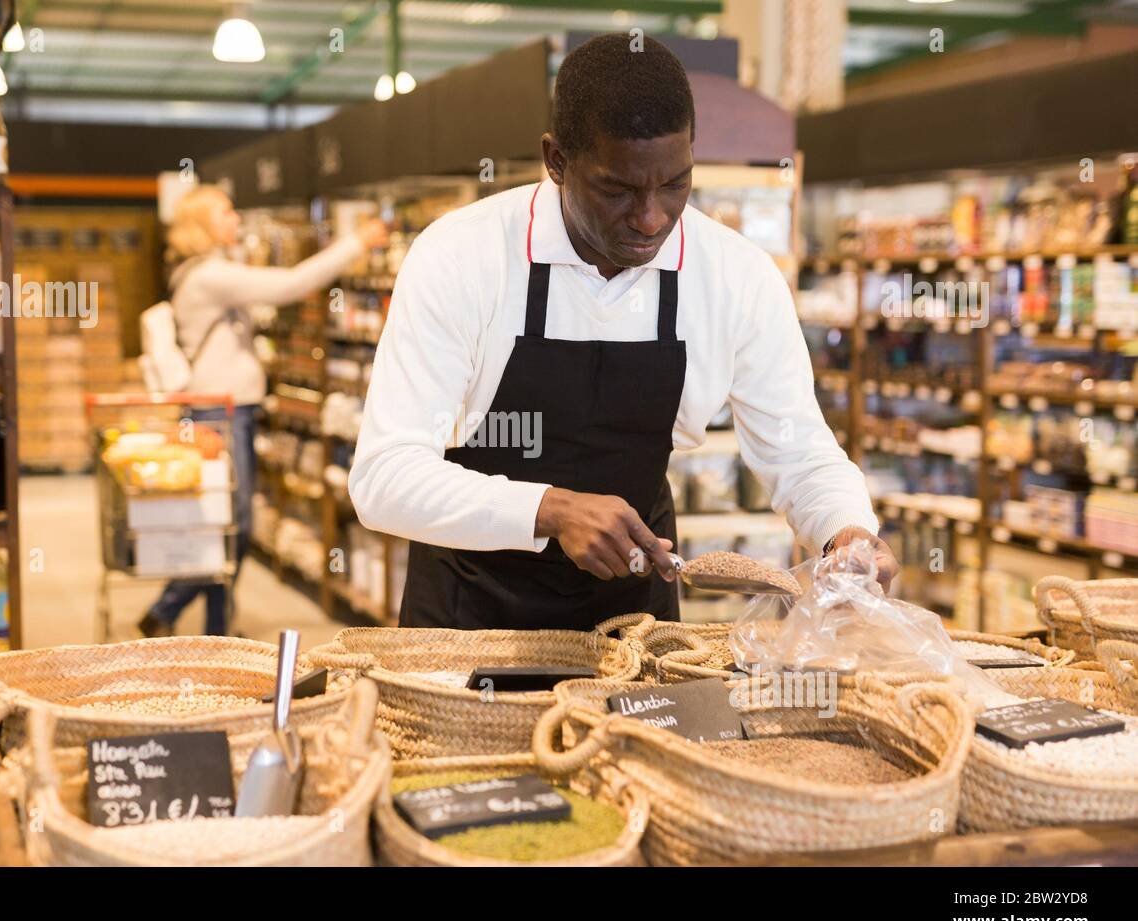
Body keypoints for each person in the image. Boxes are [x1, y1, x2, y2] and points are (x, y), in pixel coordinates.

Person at [349, 33, 899, 632]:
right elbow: (384, 476)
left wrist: (847, 531)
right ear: (556, 160)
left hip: (633, 622)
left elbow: (799, 452)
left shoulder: (735, 276)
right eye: (617, 189)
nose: (651, 218)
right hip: (467, 618)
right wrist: (551, 510)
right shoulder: (461, 256)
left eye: (675, 184)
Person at [138, 186, 388, 637]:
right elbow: (291, 285)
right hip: (220, 413)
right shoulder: (210, 275)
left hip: (225, 411)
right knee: (232, 524)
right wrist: (356, 243)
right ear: (202, 225)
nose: (235, 218)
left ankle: (213, 626)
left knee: (226, 522)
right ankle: (168, 609)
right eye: (225, 212)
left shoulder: (207, 272)